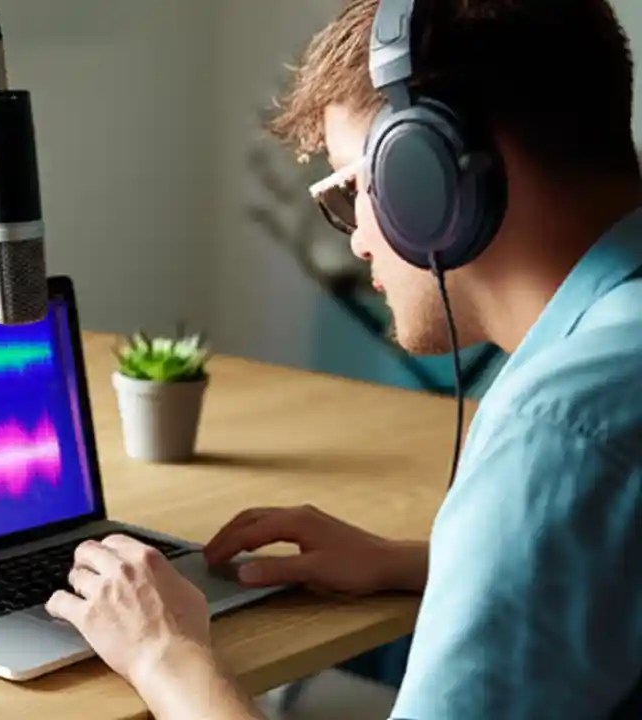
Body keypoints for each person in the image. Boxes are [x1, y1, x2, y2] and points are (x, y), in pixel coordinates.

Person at [43, 1, 642, 718]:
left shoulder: (557, 431)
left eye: (355, 186)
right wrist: (427, 559)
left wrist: (162, 654)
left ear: (435, 173)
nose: (356, 239)